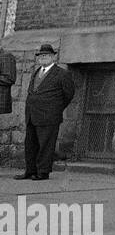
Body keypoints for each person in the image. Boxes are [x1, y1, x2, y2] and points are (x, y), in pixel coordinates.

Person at [13, 43, 76, 181]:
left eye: (46, 55)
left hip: (49, 116)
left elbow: (69, 94)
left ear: (53, 57)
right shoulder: (37, 71)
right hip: (32, 115)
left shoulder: (62, 74)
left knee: (45, 145)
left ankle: (43, 172)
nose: (43, 57)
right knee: (30, 144)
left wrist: (55, 108)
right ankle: (30, 171)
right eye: (41, 55)